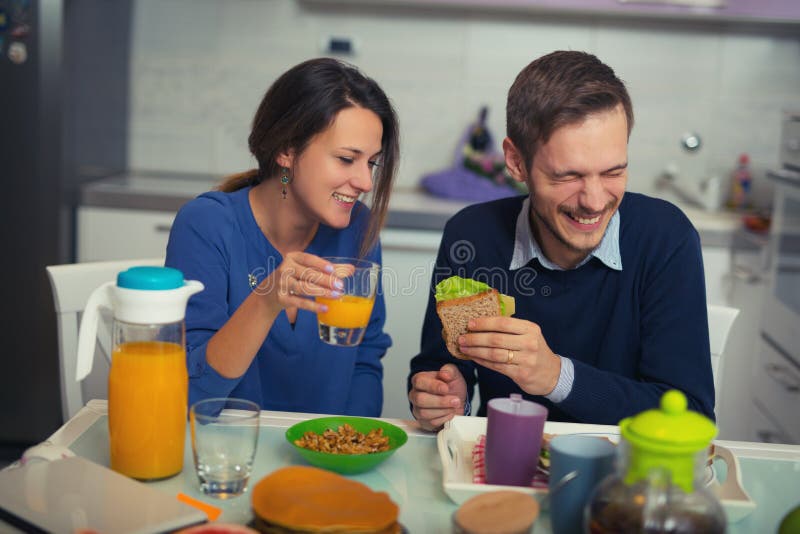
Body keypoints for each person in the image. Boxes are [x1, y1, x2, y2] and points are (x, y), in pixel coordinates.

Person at [408, 50, 714, 430]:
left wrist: (557, 377)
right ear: (516, 161)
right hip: (501, 460)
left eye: (613, 172)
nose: (595, 201)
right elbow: (440, 370)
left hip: (626, 465)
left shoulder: (666, 239)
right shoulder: (471, 236)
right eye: (568, 176)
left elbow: (691, 417)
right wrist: (443, 398)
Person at [166, 58, 399, 416]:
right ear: (287, 150)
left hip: (327, 448)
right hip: (225, 445)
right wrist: (265, 303)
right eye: (345, 159)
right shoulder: (207, 225)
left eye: (371, 162)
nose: (366, 182)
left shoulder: (359, 228)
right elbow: (190, 395)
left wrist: (353, 442)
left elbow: (365, 359)